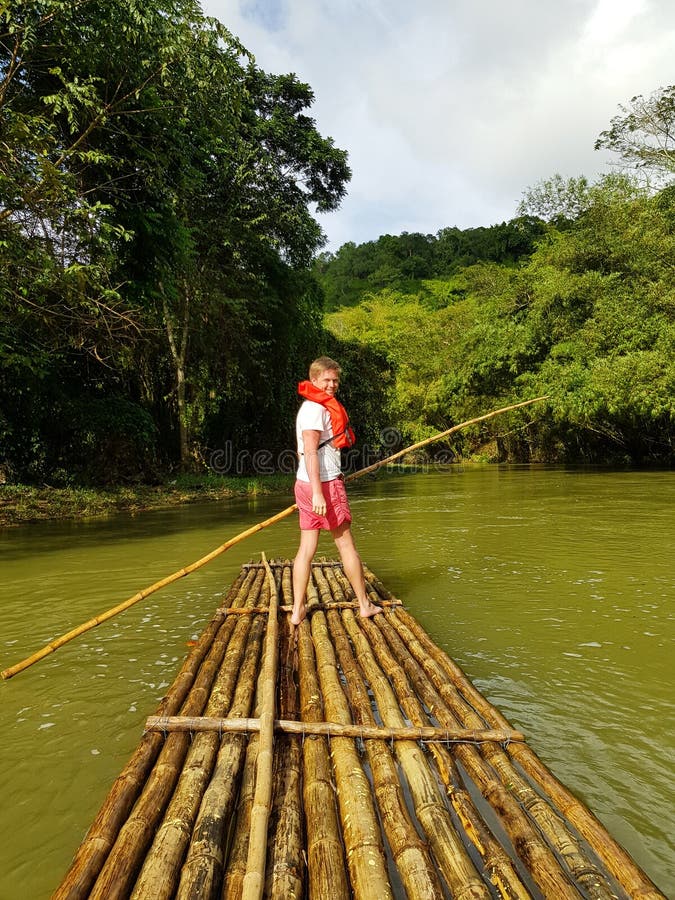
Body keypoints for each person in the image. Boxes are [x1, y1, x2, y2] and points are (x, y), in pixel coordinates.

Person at [291, 356, 383, 625]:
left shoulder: (313, 407)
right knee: (345, 545)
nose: (332, 385)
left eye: (335, 380)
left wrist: (310, 488)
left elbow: (304, 454)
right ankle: (364, 605)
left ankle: (298, 610)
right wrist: (319, 492)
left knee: (307, 547)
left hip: (306, 483)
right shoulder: (314, 410)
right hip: (324, 486)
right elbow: (309, 451)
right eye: (326, 380)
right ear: (314, 380)